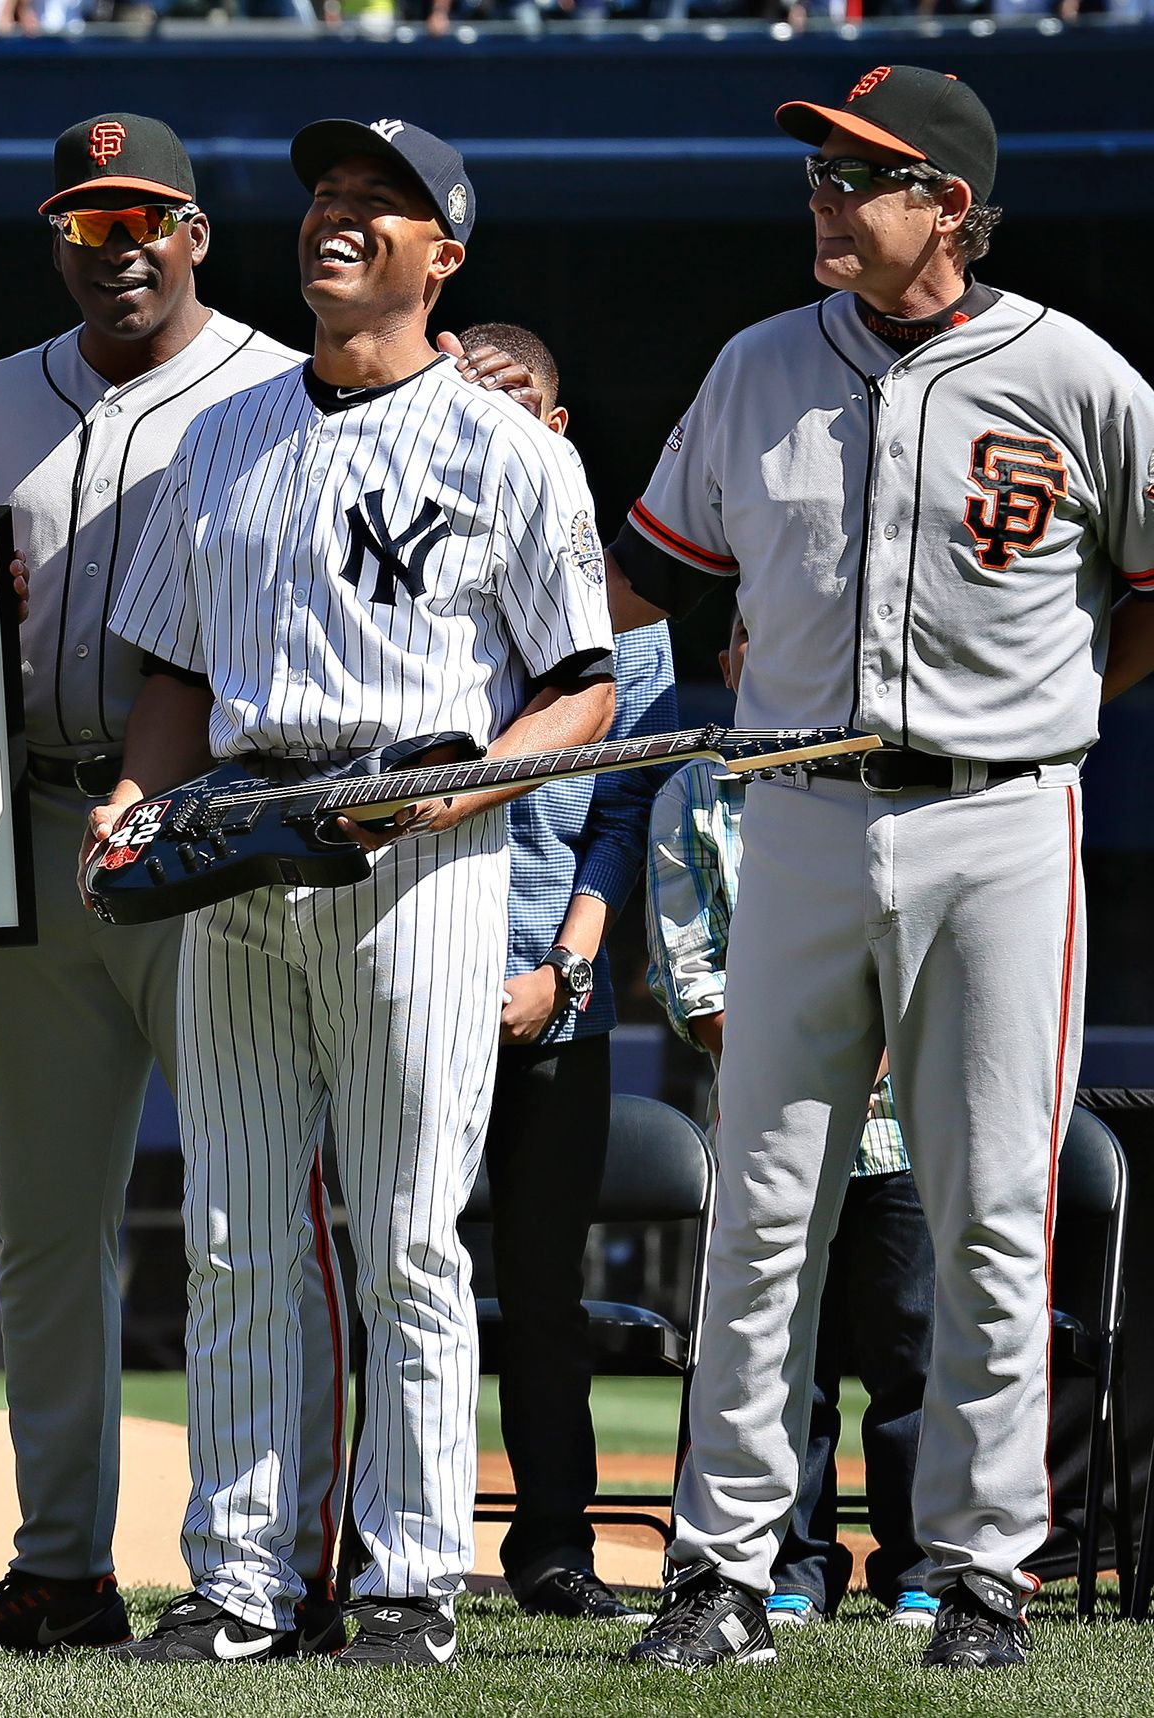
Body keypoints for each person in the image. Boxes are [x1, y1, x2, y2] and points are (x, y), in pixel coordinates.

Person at [593, 66, 1154, 1670]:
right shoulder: (761, 363)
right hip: (799, 814)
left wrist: (1051, 709)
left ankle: (983, 1572)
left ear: (951, 207)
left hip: (1001, 819)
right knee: (761, 1203)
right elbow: (652, 577)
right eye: (821, 170)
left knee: (990, 1202)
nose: (825, 194)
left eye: (862, 173)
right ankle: (720, 1567)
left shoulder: (1077, 375)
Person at [102, 116, 615, 1665]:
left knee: (406, 1235)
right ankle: (242, 1582)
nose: (337, 218)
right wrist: (139, 793)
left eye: (379, 206)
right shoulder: (223, 435)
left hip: (421, 855)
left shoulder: (509, 450)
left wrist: (463, 787)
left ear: (441, 257)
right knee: (236, 1233)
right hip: (247, 839)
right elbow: (179, 674)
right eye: (328, 195)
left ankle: (407, 1580)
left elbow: (582, 688)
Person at [0, 113, 351, 1658]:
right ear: (60, 241)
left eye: (146, 218)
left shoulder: (279, 388)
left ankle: (280, 1558)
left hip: (213, 834)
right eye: (91, 225)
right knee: (43, 1222)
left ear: (197, 234)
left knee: (250, 1211)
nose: (121, 248)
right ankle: (64, 1562)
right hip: (33, 825)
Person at [645, 608, 937, 1634]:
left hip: (897, 1129)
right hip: (763, 1122)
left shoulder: (893, 775)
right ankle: (792, 1567)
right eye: (746, 642)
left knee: (908, 1353)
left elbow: (925, 943)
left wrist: (874, 1049)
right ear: (729, 663)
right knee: (784, 1358)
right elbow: (693, 974)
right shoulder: (690, 791)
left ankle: (917, 1567)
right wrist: (808, 1057)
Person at [455, 321, 679, 1624]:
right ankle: (389, 1548)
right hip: (412, 978)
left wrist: (563, 975)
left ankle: (552, 1550)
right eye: (474, 399)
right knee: (403, 1279)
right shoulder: (423, 570)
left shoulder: (613, 605)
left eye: (522, 398)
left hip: (552, 987)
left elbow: (620, 815)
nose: (501, 420)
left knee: (543, 1292)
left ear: (561, 421)